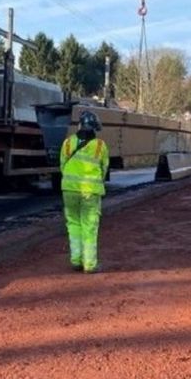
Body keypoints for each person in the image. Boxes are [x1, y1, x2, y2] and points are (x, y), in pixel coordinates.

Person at [59, 110, 109, 274]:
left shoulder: (67, 143)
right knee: (89, 227)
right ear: (94, 128)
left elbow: (62, 166)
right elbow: (104, 168)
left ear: (79, 125)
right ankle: (89, 264)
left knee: (73, 224)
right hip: (90, 192)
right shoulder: (100, 146)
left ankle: (76, 260)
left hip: (69, 191)